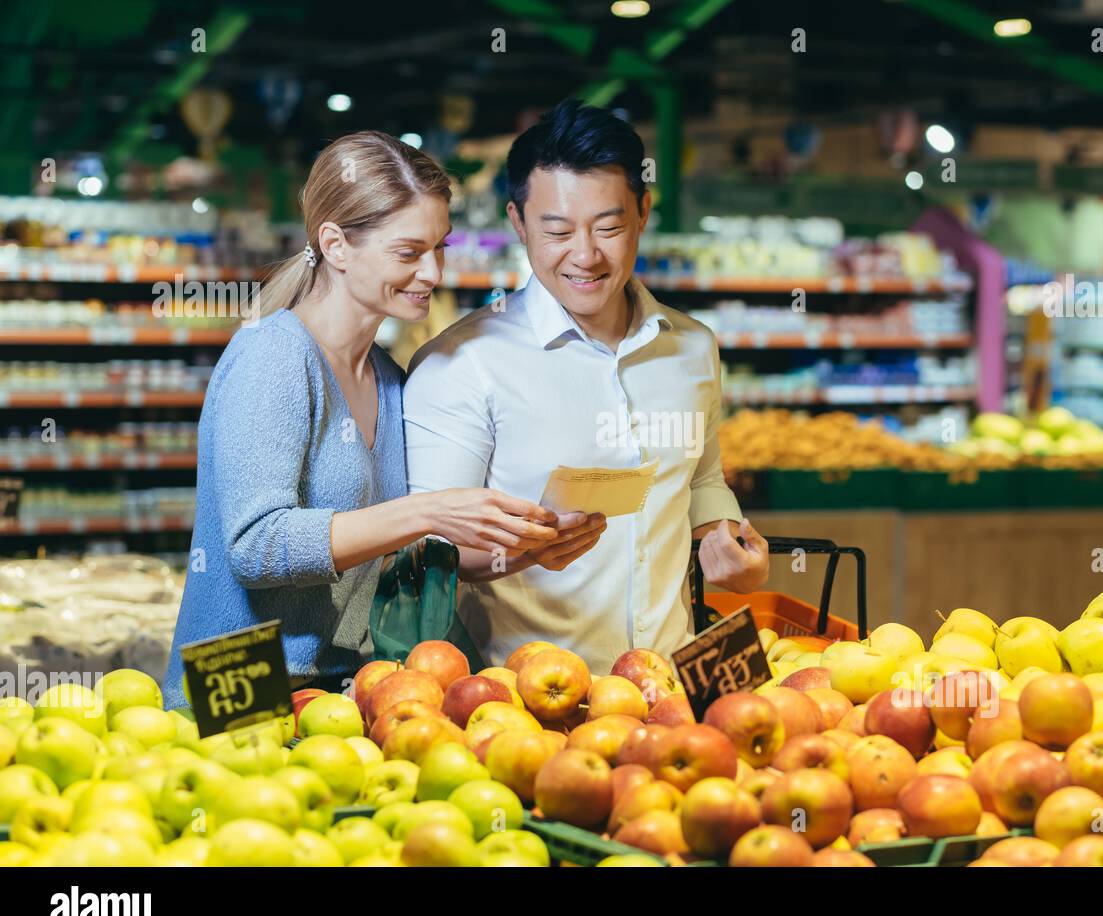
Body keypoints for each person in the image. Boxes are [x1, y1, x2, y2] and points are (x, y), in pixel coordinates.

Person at [162, 132, 557, 708]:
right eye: (408, 252)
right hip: (241, 690)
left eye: (439, 248)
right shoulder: (273, 356)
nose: (432, 273)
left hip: (342, 692)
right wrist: (428, 509)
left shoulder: (390, 380)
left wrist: (525, 545)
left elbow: (394, 550)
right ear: (336, 245)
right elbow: (256, 545)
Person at [404, 101, 769, 675]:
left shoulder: (692, 346)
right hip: (528, 707)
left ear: (643, 213)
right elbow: (429, 550)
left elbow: (700, 479)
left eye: (609, 227)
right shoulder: (461, 364)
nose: (585, 255)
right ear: (519, 224)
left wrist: (726, 542)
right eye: (556, 230)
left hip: (676, 684)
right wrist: (527, 547)